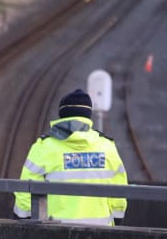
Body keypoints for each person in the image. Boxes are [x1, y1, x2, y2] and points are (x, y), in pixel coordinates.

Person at [13, 88, 127, 226]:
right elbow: (119, 192)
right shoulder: (107, 147)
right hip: (100, 235)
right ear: (88, 116)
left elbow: (26, 191)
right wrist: (117, 220)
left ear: (62, 115)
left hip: (55, 236)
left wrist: (23, 218)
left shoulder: (44, 147)